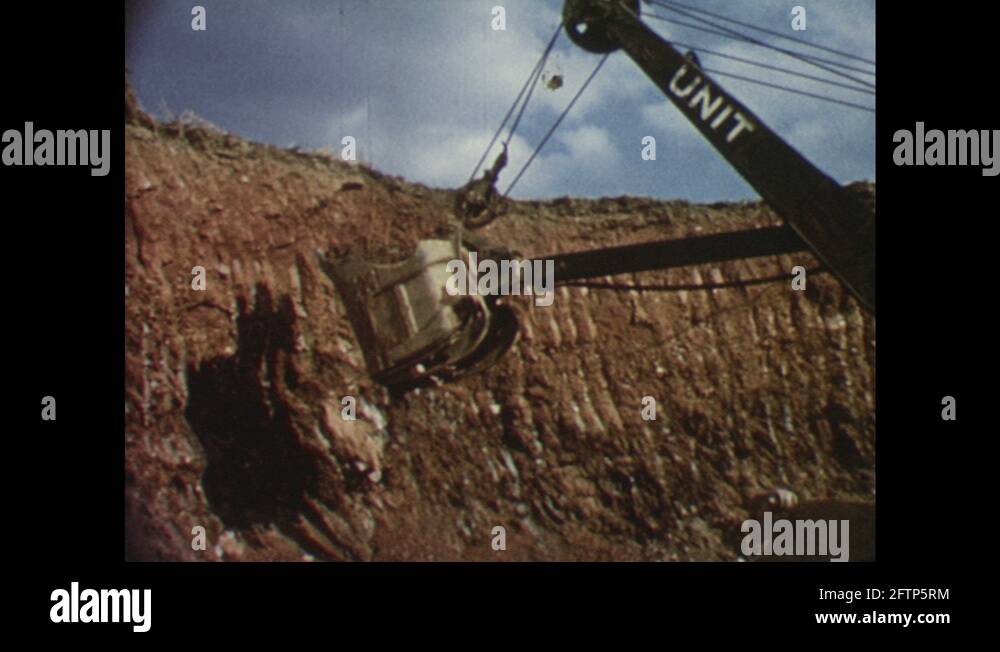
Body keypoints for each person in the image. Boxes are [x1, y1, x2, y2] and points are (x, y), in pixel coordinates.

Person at [454, 143, 509, 228]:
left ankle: (470, 214)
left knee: (497, 167)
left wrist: (505, 151)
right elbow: (464, 190)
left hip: (478, 206)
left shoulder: (490, 189)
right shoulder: (478, 183)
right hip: (473, 204)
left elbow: (498, 166)